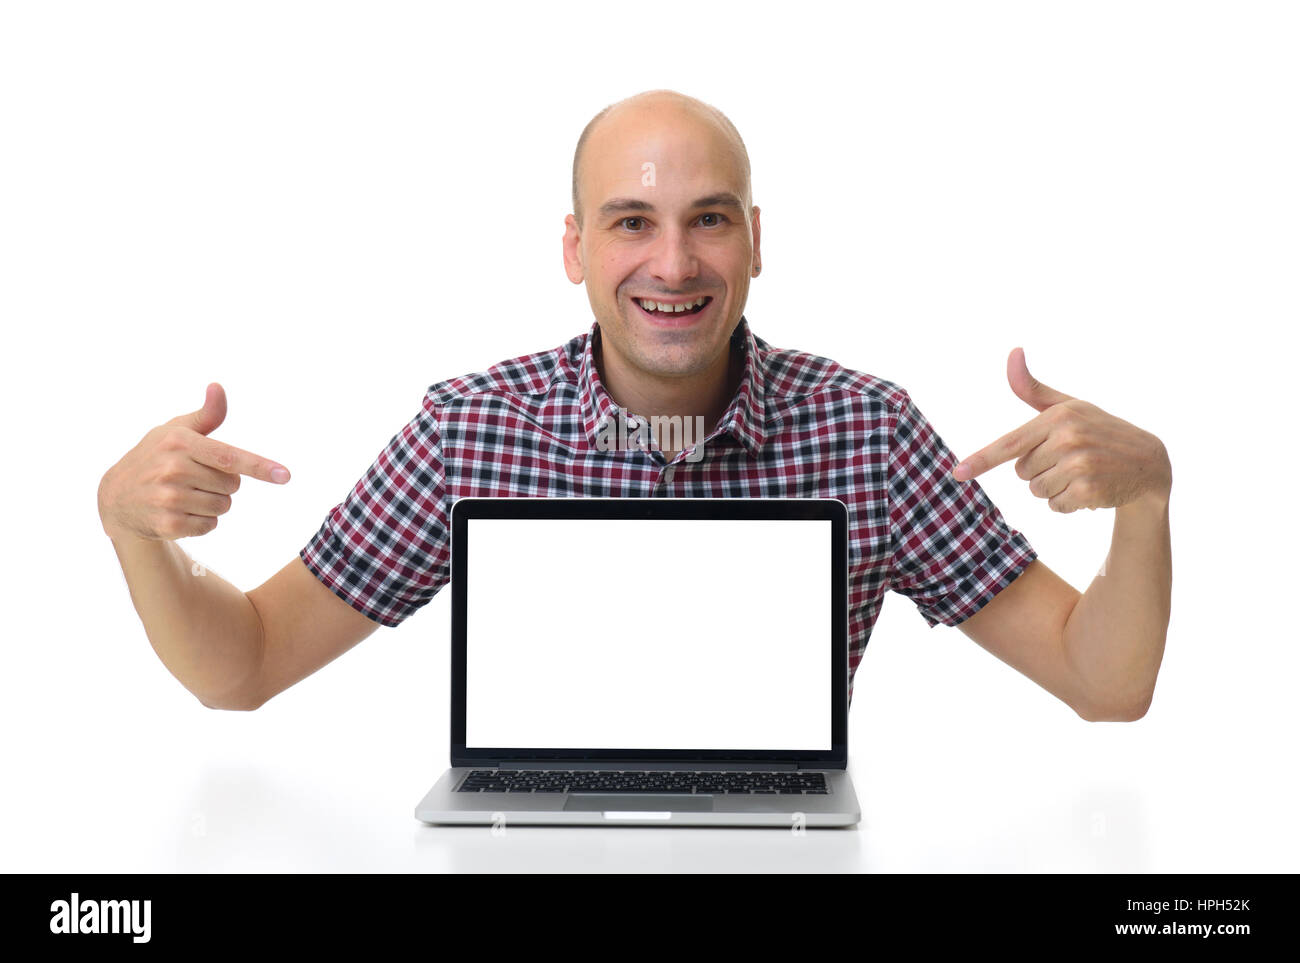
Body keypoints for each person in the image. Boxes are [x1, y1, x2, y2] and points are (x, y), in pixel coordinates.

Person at [97, 89, 1172, 719]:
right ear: (573, 249)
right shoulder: (469, 433)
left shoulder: (868, 433)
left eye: (707, 219)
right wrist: (131, 528)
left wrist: (1146, 499)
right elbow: (242, 664)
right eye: (628, 222)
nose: (671, 261)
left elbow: (1101, 680)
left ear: (754, 241)